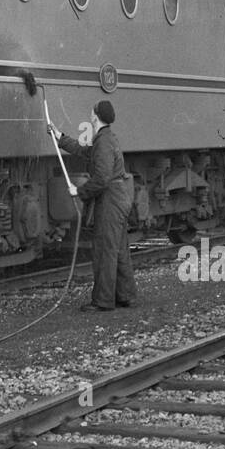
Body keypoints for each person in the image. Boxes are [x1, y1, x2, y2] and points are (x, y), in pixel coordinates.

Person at [48, 100, 136, 311]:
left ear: (95, 116)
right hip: (118, 198)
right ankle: (125, 295)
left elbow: (102, 179)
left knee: (105, 250)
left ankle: (104, 301)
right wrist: (60, 137)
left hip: (111, 201)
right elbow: (84, 151)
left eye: (91, 111)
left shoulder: (103, 142)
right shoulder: (105, 139)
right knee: (119, 249)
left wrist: (79, 191)